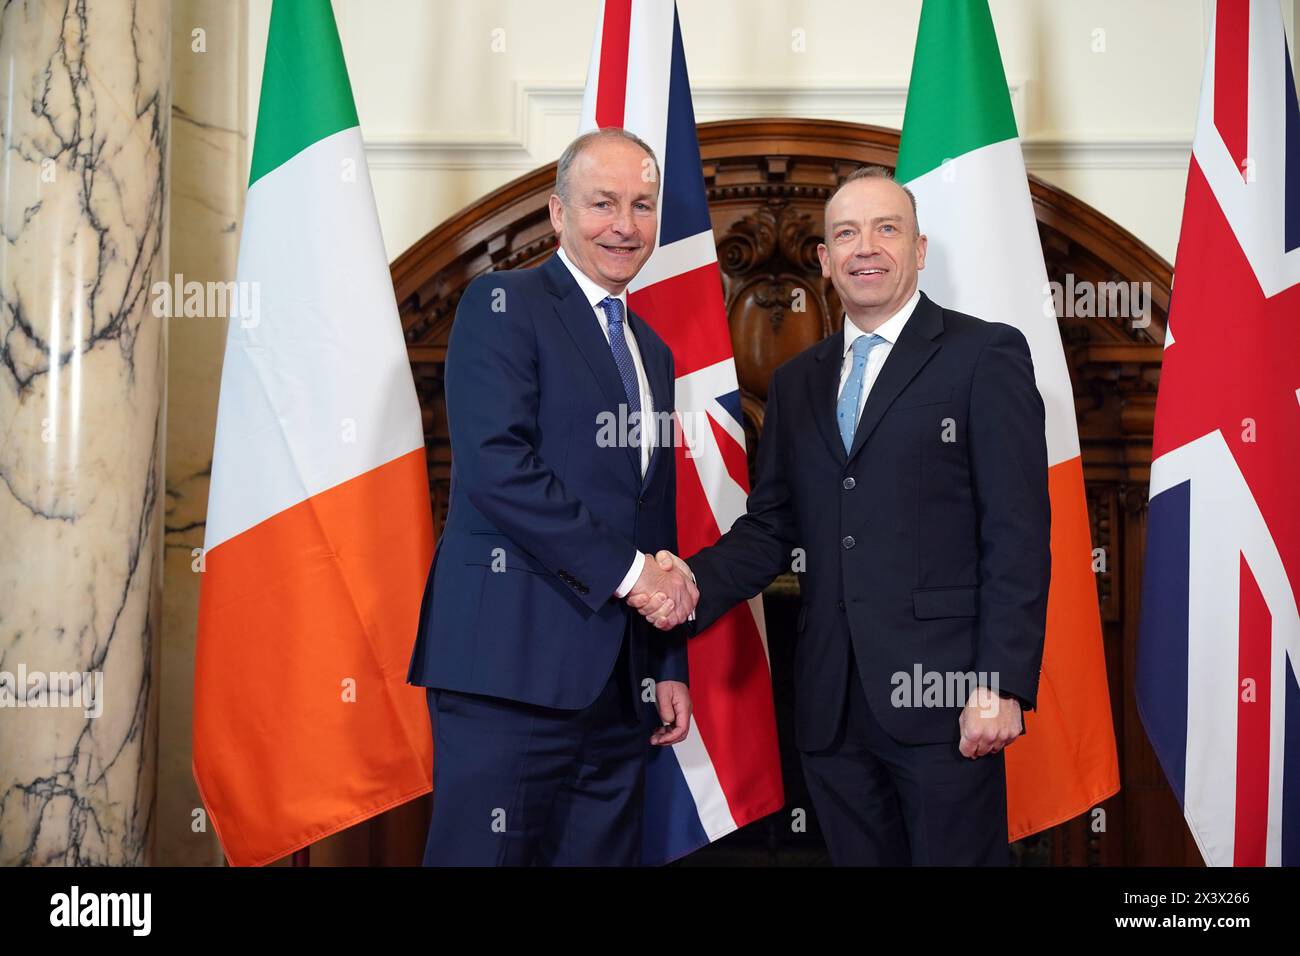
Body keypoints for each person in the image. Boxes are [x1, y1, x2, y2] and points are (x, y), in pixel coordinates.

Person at [633, 166, 1050, 865]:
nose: (866, 247)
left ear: (919, 249)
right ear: (824, 261)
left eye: (886, 228)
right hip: (830, 707)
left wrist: (999, 684)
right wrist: (686, 583)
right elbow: (771, 528)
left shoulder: (985, 355)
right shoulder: (798, 382)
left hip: (945, 700)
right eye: (846, 233)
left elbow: (1017, 534)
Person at [407, 127, 699, 866]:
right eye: (603, 203)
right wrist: (638, 580)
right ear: (557, 213)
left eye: (642, 205)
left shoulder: (654, 353)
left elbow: (650, 515)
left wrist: (667, 664)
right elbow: (499, 468)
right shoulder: (501, 303)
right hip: (507, 673)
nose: (625, 226)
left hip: (617, 688)